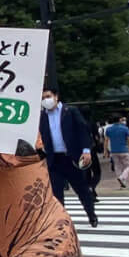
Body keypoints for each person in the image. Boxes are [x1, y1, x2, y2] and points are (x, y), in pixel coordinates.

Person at [39, 87, 98, 227]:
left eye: (48, 96)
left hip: (71, 158)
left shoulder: (70, 111)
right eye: (43, 98)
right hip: (54, 159)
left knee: (82, 189)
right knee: (56, 193)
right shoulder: (42, 116)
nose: (46, 100)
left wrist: (86, 151)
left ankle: (91, 215)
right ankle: (61, 222)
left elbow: (83, 130)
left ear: (56, 96)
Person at [105, 114, 129, 188]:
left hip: (114, 150)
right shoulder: (125, 128)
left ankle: (122, 182)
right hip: (124, 150)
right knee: (128, 166)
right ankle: (122, 177)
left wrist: (105, 151)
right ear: (120, 120)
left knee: (117, 166)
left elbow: (106, 140)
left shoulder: (108, 129)